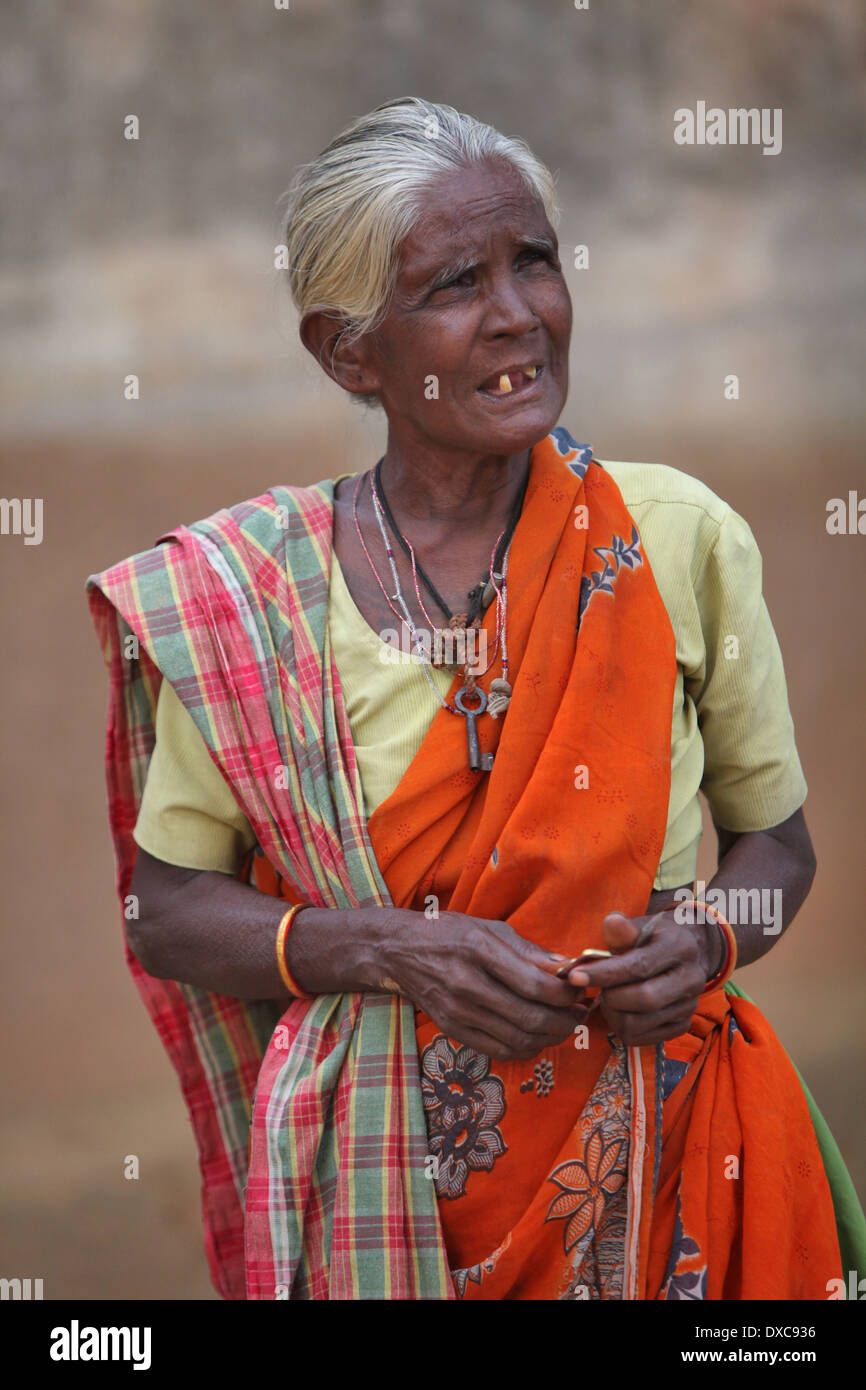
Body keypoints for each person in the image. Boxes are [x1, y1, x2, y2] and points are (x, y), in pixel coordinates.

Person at [87, 96, 865, 1301]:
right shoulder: (257, 594)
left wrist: (709, 936)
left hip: (672, 1160)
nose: (518, 314)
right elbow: (168, 911)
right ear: (346, 351)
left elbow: (776, 846)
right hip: (379, 1187)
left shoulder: (676, 536)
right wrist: (391, 949)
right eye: (454, 283)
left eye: (535, 262)